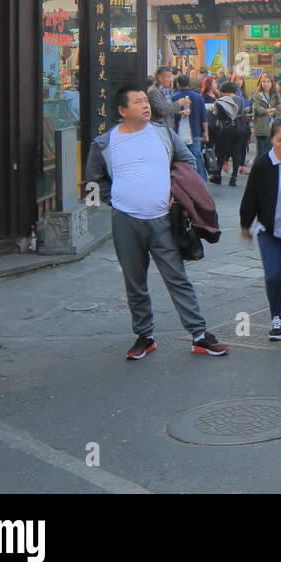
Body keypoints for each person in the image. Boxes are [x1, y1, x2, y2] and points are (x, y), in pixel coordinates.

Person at [84, 86, 229, 360]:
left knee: (177, 277)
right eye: (138, 102)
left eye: (146, 100)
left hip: (163, 219)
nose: (146, 105)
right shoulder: (104, 143)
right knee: (134, 281)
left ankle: (199, 334)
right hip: (126, 221)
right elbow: (93, 181)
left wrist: (177, 192)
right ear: (123, 110)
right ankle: (144, 336)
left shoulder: (163, 133)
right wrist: (113, 199)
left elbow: (187, 161)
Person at [239, 117, 281, 341]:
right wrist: (245, 223)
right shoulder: (263, 163)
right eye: (280, 140)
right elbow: (250, 196)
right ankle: (277, 318)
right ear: (272, 140)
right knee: (272, 275)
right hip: (268, 229)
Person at [210, 82, 250, 187]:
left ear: (224, 91)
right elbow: (242, 113)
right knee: (237, 152)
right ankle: (234, 178)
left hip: (226, 129)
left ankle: (218, 176)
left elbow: (216, 114)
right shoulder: (240, 100)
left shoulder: (220, 101)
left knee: (222, 152)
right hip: (240, 129)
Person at [171, 74, 208, 178]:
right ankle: (201, 180)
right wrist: (205, 132)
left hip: (177, 132)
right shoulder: (198, 97)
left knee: (178, 159)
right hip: (195, 131)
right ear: (189, 83)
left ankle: (183, 180)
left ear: (178, 84)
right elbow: (204, 117)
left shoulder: (173, 97)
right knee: (196, 156)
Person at [251, 72, 279, 161]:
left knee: (271, 152)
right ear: (260, 83)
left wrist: (272, 112)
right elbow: (259, 110)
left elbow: (279, 111)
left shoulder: (275, 95)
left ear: (271, 83)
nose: (266, 84)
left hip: (273, 127)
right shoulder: (257, 95)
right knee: (261, 153)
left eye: (268, 82)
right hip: (261, 127)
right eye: (263, 82)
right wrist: (270, 110)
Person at [147, 65, 183, 131]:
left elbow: (168, 109)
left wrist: (180, 112)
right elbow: (162, 110)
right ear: (160, 78)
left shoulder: (165, 90)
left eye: (171, 77)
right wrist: (178, 103)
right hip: (160, 129)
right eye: (168, 77)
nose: (170, 80)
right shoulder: (154, 92)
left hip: (167, 128)